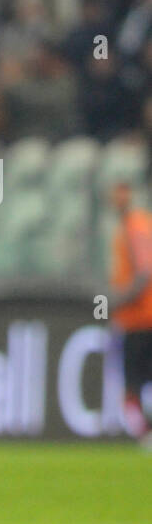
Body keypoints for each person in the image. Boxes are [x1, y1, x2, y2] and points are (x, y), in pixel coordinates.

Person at [109, 181, 152, 445]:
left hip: (139, 319)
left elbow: (144, 272)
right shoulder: (137, 225)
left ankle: (146, 436)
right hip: (140, 318)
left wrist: (118, 299)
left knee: (132, 383)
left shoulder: (135, 227)